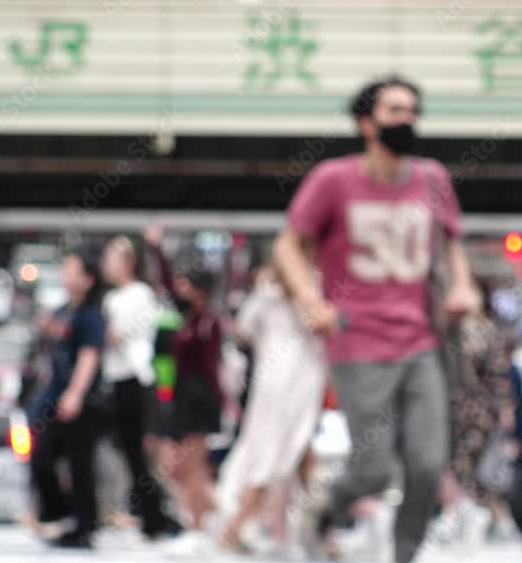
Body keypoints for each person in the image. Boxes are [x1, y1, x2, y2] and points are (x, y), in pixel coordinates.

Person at [272, 75, 478, 563]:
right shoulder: (333, 180)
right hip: (356, 342)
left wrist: (464, 285)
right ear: (367, 123)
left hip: (421, 342)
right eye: (394, 110)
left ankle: (404, 555)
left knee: (428, 465)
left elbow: (452, 242)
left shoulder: (432, 179)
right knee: (374, 470)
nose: (405, 119)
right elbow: (287, 244)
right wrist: (310, 299)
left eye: (411, 110)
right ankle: (322, 510)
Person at [218, 264, 326, 555]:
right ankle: (241, 527)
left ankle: (301, 532)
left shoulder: (275, 292)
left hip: (284, 378)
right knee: (277, 454)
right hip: (292, 379)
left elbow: (243, 329)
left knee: (285, 453)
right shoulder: (305, 290)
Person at [144, 226, 223, 557]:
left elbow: (212, 369)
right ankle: (213, 514)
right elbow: (165, 282)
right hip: (179, 395)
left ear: (200, 291)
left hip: (200, 396)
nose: (180, 287)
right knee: (174, 467)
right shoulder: (184, 316)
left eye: (187, 284)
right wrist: (156, 248)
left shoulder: (208, 324)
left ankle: (199, 526)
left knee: (193, 467)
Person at [100, 235, 179, 540]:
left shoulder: (141, 294)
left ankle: (156, 515)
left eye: (114, 257)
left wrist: (114, 334)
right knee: (129, 453)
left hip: (139, 380)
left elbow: (129, 333)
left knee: (146, 454)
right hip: (116, 380)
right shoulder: (110, 298)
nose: (109, 264)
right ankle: (148, 513)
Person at [28, 250, 106, 549]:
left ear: (87, 280)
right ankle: (60, 513)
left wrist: (75, 393)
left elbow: (90, 357)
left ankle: (85, 526)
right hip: (53, 396)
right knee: (41, 457)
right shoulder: (64, 310)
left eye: (71, 269)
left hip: (82, 401)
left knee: (80, 465)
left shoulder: (90, 315)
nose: (64, 274)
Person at [437, 278, 514, 546]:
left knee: (468, 464)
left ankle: (474, 515)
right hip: (448, 407)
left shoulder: (487, 330)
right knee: (456, 465)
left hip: (480, 409)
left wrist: (504, 407)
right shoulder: (446, 328)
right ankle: (482, 515)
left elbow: (498, 373)